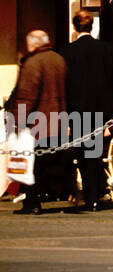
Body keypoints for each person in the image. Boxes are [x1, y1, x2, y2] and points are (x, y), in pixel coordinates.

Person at [60, 10, 113, 211]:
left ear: (75, 26)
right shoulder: (106, 50)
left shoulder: (67, 52)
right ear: (91, 26)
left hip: (76, 111)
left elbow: (65, 86)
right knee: (94, 155)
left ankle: (88, 194)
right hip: (100, 112)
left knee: (82, 155)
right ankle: (95, 196)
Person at [5, 31, 69, 214]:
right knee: (44, 162)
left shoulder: (33, 63)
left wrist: (16, 122)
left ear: (33, 44)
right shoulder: (59, 60)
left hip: (37, 123)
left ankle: (31, 203)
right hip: (57, 121)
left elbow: (26, 96)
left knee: (31, 163)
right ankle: (37, 197)